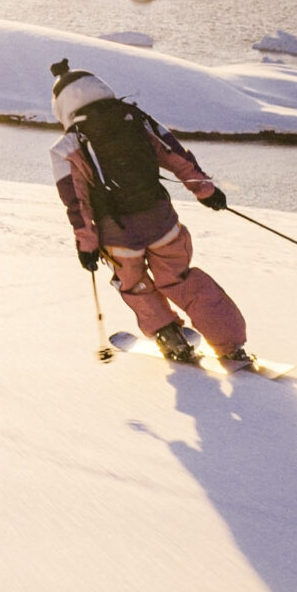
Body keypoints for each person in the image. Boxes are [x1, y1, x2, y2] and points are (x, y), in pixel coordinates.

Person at [47, 59, 249, 365]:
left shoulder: (65, 148)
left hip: (117, 237)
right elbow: (177, 156)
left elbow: (77, 205)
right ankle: (230, 345)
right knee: (182, 280)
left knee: (136, 286)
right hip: (162, 223)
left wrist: (87, 247)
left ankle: (170, 339)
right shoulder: (136, 118)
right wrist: (206, 191)